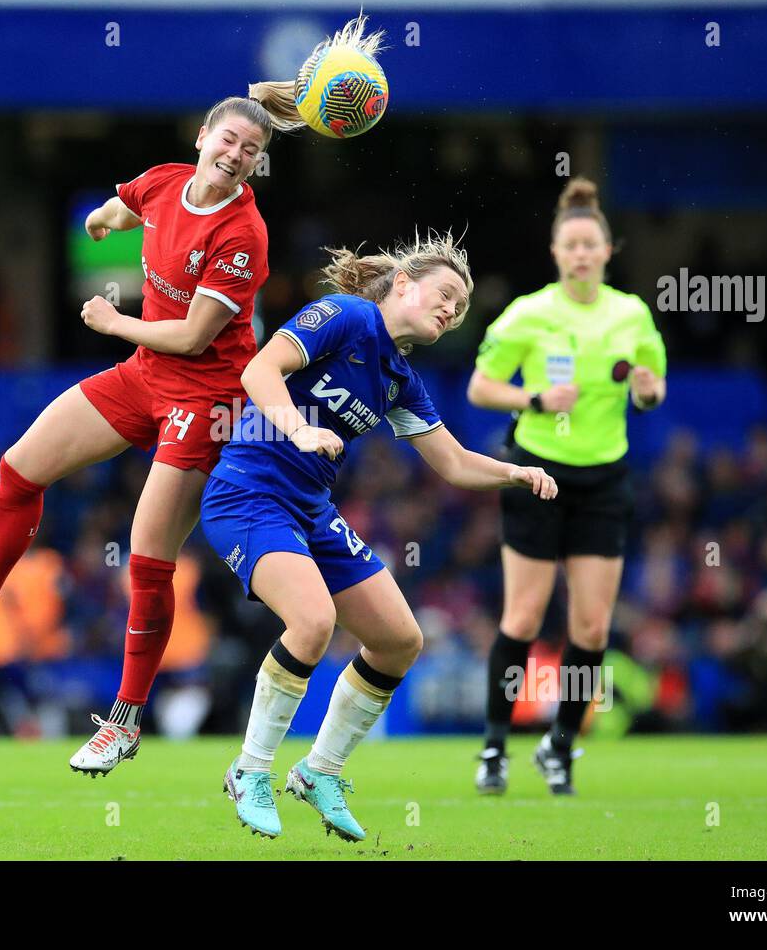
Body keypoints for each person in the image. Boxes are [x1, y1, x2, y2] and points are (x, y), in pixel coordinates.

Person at [0, 22, 368, 774]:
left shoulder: (244, 234)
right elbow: (125, 206)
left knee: (148, 560)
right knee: (20, 467)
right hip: (143, 376)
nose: (237, 156)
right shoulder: (165, 180)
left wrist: (112, 320)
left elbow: (195, 333)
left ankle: (125, 722)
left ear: (256, 165)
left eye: (252, 152)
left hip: (204, 395)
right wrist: (105, 216)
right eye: (229, 141)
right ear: (204, 137)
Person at [201, 233, 557, 840]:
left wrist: (514, 470)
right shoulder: (347, 315)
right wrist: (298, 430)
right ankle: (250, 769)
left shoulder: (399, 379)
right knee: (311, 623)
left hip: (310, 510)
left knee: (398, 641)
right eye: (444, 294)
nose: (450, 310)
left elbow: (453, 463)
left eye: (460, 309)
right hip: (248, 493)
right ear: (401, 284)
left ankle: (320, 772)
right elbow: (261, 369)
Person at [467, 177, 667, 795]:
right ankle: (495, 746)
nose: (581, 253)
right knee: (523, 618)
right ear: (556, 252)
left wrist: (644, 390)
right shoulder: (529, 312)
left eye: (591, 244)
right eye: (571, 244)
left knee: (592, 631)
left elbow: (654, 387)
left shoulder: (631, 313)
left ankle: (560, 747)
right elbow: (480, 387)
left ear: (608, 251)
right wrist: (533, 397)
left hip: (604, 480)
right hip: (536, 472)